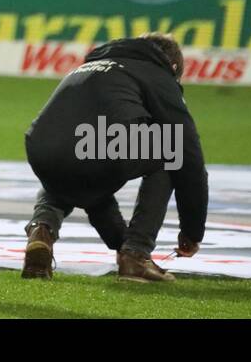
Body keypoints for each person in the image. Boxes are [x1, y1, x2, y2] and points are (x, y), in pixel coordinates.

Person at [21, 34, 208, 283]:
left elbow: (93, 193)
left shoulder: (86, 68)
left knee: (71, 171)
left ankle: (41, 230)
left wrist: (119, 241)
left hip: (41, 147)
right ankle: (137, 255)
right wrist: (192, 232)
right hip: (96, 148)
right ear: (173, 66)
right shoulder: (156, 72)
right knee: (171, 150)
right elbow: (189, 153)